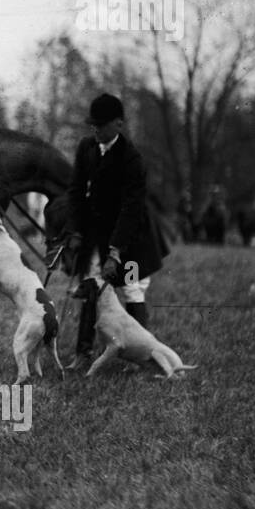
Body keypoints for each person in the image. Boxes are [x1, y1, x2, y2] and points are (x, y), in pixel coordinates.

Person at [65, 93, 168, 369]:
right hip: (96, 233)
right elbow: (75, 192)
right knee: (91, 284)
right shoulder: (86, 147)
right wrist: (75, 231)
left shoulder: (132, 159)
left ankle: (141, 356)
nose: (95, 129)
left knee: (132, 288)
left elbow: (131, 210)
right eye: (93, 124)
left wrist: (115, 253)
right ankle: (82, 352)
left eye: (101, 124)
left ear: (119, 124)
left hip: (132, 237)